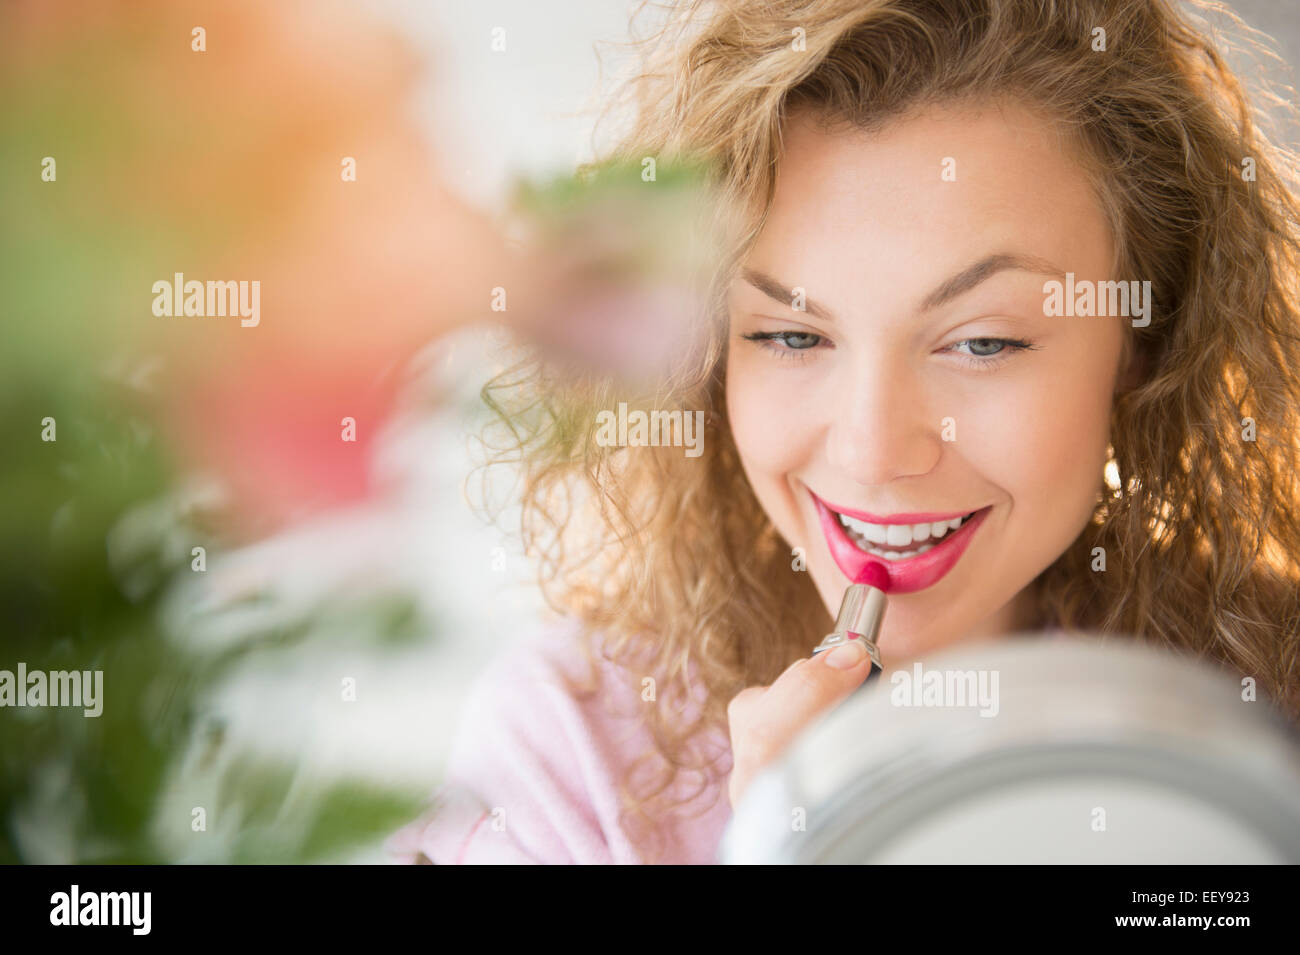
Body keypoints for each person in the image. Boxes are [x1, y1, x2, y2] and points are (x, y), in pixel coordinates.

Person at [389, 0, 1300, 864]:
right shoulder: (571, 747)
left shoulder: (1268, 692)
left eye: (982, 341)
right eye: (791, 335)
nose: (871, 449)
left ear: (1143, 342)